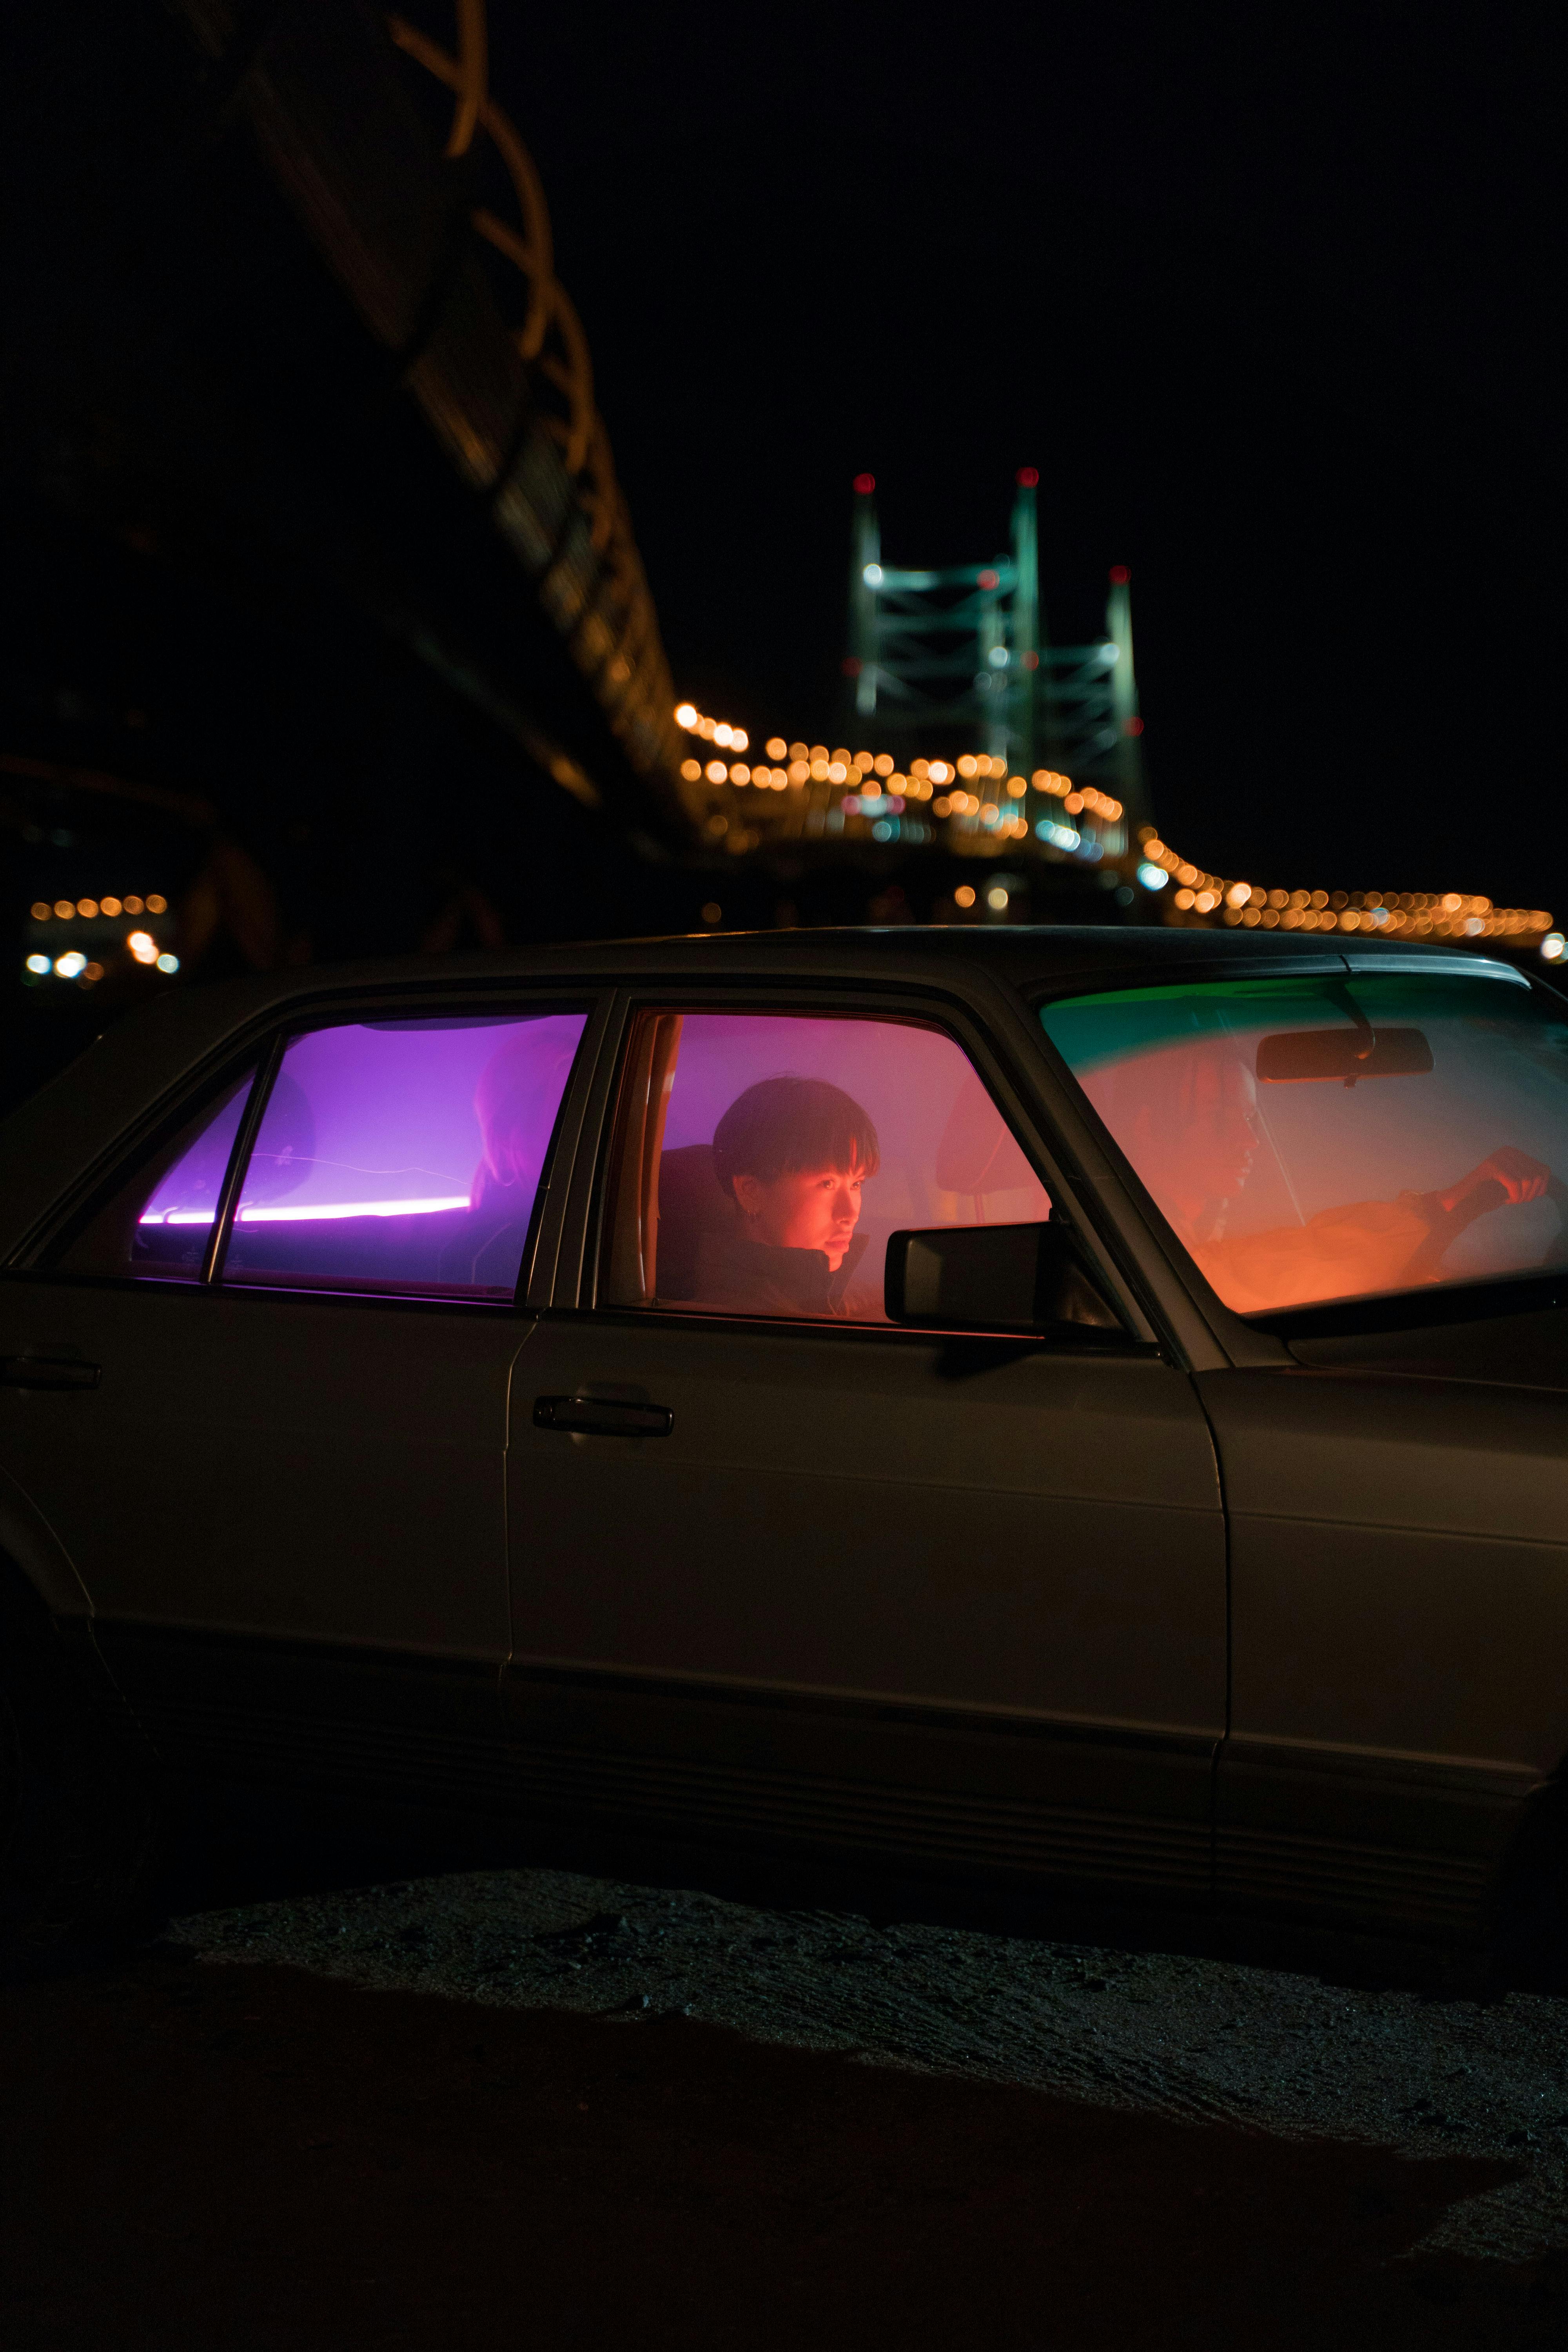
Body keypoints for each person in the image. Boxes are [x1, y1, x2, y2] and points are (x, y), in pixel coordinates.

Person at [1093, 1038, 1550, 1315]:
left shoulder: (1209, 1229)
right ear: (1145, 1128)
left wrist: (1444, 1207)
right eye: (1218, 1117)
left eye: (1251, 1119)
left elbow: (1297, 1250)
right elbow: (1305, 1267)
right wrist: (1441, 1209)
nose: (1250, 1142)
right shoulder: (1155, 1261)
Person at [695, 1074, 884, 1318]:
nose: (851, 1214)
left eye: (856, 1184)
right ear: (751, 1193)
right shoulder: (733, 1323)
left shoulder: (851, 1300)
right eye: (827, 1184)